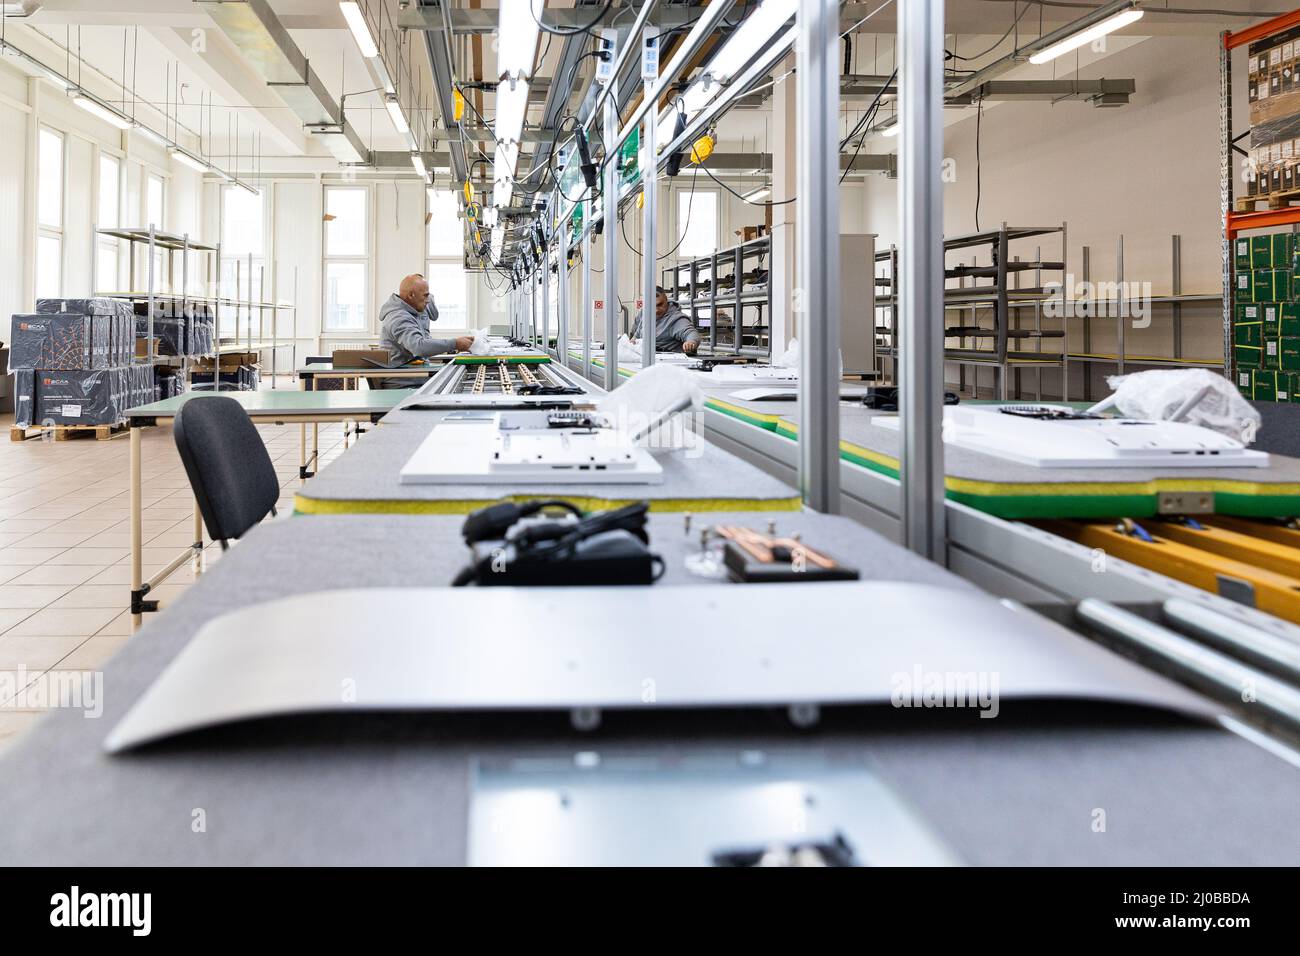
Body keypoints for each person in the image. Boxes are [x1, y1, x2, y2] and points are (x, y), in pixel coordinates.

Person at [376, 274, 473, 387]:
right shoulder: (398, 317)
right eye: (425, 296)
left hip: (415, 374)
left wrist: (455, 346)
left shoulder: (413, 312)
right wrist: (455, 343)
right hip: (402, 381)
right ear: (411, 295)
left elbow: (425, 340)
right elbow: (419, 347)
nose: (428, 301)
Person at [629, 287, 701, 354]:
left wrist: (691, 342)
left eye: (660, 305)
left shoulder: (676, 319)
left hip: (668, 363)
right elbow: (635, 337)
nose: (656, 310)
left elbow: (691, 333)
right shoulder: (644, 315)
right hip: (644, 359)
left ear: (666, 300)